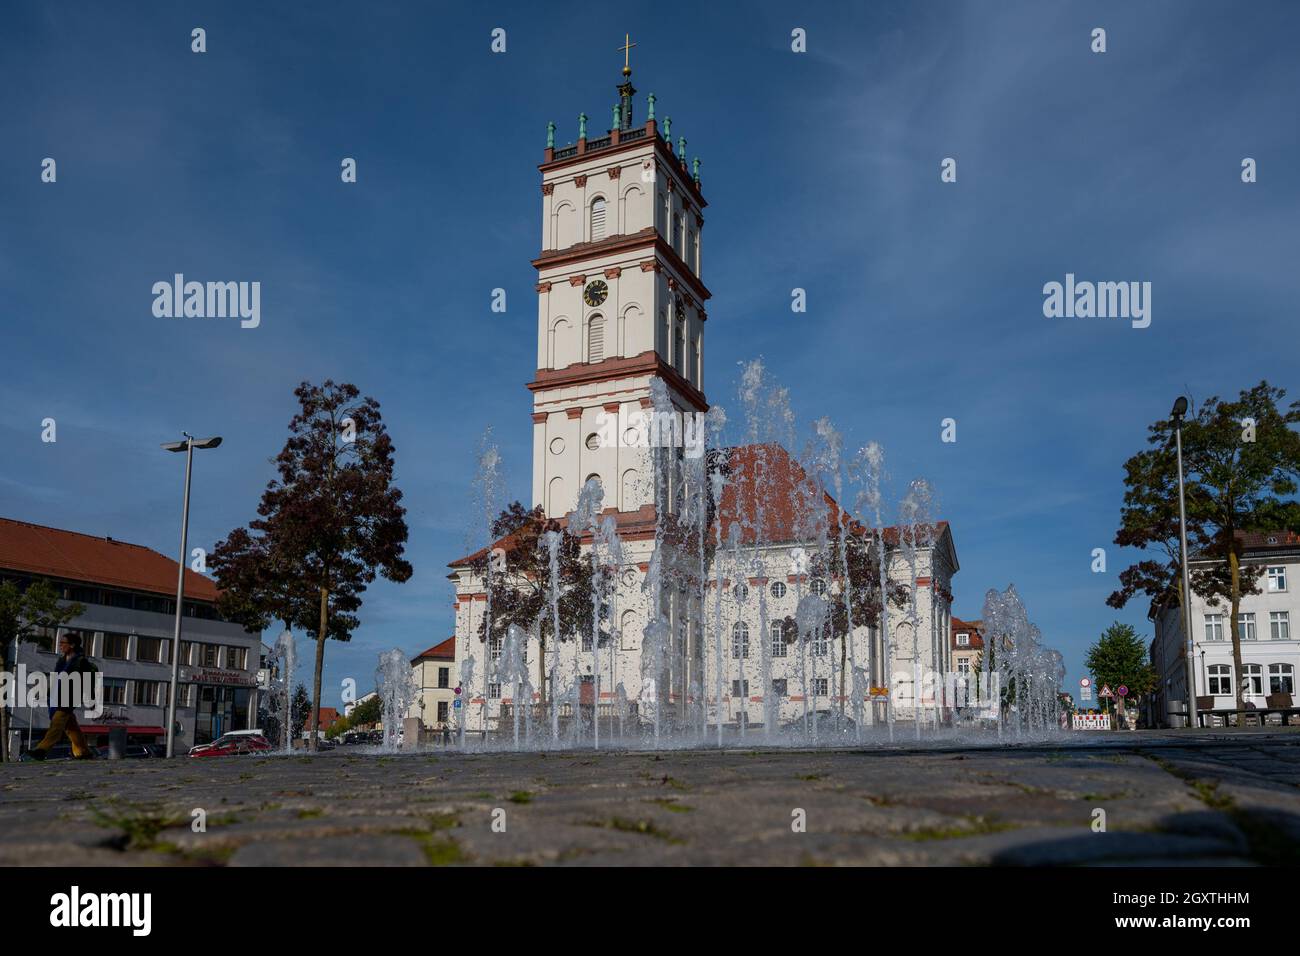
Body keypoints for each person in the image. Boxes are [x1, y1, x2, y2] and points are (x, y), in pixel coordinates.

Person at [24, 631, 97, 760]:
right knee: (71, 727)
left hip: (69, 697)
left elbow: (88, 681)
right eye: (60, 643)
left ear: (72, 645)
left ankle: (42, 750)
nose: (60, 645)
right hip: (56, 696)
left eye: (63, 643)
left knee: (56, 724)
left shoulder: (81, 661)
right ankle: (83, 752)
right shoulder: (61, 660)